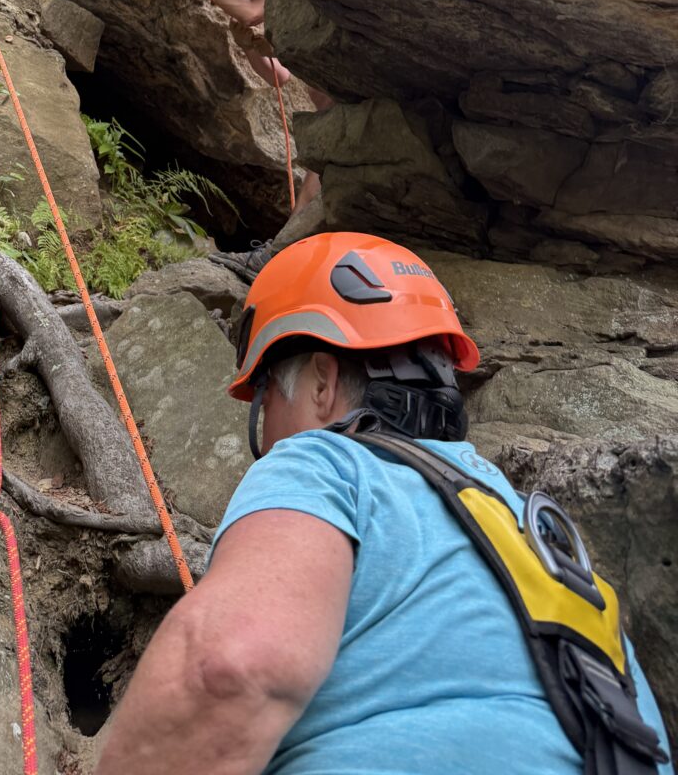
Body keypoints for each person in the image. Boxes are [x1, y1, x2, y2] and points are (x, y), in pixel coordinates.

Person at [94, 231, 670, 775]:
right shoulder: (526, 526)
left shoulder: (323, 462)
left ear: (322, 381)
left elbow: (225, 670)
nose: (265, 438)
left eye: (264, 399)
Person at [119, 0, 331, 214]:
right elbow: (277, 74)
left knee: (314, 192)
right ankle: (288, 248)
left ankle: (286, 250)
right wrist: (249, 46)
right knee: (314, 188)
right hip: (330, 103)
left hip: (339, 101)